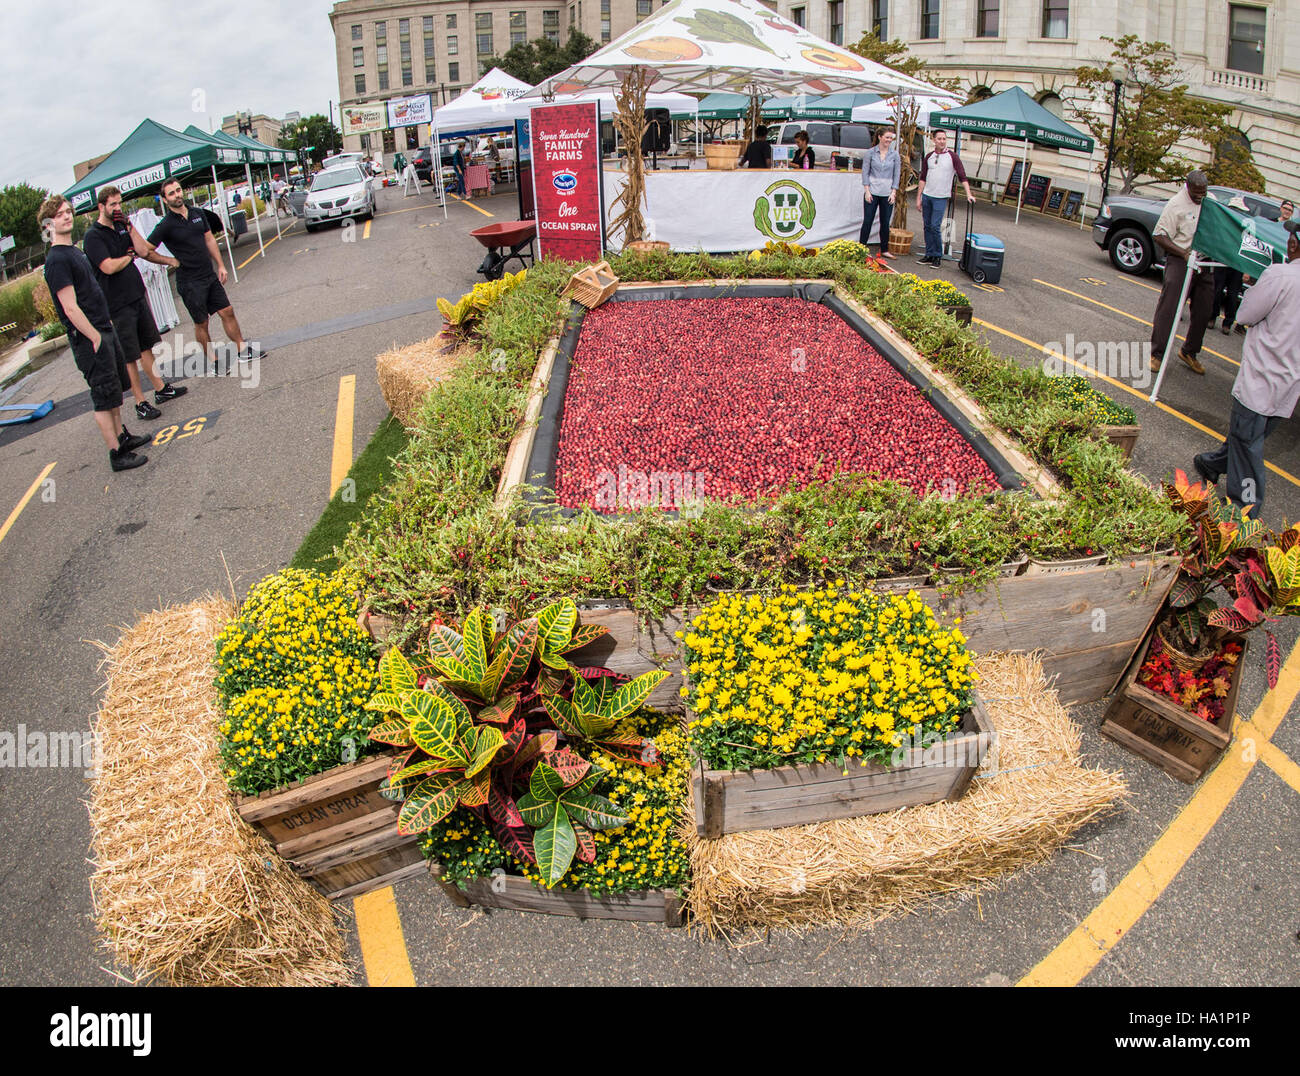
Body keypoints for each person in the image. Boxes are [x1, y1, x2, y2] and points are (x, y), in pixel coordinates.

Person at [37, 195, 152, 472]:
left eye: (68, 212)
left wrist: (106, 326)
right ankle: (116, 454)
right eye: (60, 214)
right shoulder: (56, 260)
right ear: (48, 224)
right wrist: (96, 337)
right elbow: (70, 307)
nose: (66, 217)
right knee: (103, 397)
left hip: (103, 328)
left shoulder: (74, 252)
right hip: (90, 339)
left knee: (114, 392)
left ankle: (122, 437)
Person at [1193, 220, 1300, 515]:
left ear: (1293, 244)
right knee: (1247, 438)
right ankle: (1211, 463)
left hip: (1262, 378)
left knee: (1247, 443)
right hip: (1289, 384)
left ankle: (1245, 507)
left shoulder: (1280, 275)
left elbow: (1245, 314)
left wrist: (1254, 286)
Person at [82, 186, 188, 422]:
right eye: (113, 205)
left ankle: (160, 389)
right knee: (129, 356)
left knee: (146, 347)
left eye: (119, 203)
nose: (117, 208)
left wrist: (129, 226)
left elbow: (141, 250)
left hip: (136, 295)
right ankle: (140, 402)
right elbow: (107, 266)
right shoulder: (93, 236)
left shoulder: (122, 226)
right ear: (101, 207)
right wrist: (128, 256)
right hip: (117, 304)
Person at [143, 178, 264, 368]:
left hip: (208, 275)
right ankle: (214, 361)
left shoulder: (197, 213)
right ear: (165, 200)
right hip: (189, 282)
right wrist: (169, 261)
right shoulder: (165, 225)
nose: (177, 195)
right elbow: (146, 251)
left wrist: (221, 265)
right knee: (202, 323)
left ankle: (242, 350)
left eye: (178, 190)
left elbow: (209, 240)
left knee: (227, 311)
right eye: (172, 193)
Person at [1149, 170, 1214, 376]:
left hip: (1204, 261)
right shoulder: (1176, 205)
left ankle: (1189, 352)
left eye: (1203, 192)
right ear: (1187, 187)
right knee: (1169, 307)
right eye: (1196, 193)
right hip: (1180, 259)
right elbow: (1159, 236)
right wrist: (1183, 253)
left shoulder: (1209, 200)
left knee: (1204, 311)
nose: (1200, 197)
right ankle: (1157, 354)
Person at [915, 129, 973, 267]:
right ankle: (929, 253)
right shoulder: (929, 156)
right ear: (933, 140)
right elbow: (923, 178)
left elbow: (962, 176)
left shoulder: (952, 157)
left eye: (944, 139)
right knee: (927, 226)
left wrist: (969, 193)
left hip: (941, 197)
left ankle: (937, 255)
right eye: (939, 138)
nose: (942, 141)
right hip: (927, 195)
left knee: (935, 226)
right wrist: (919, 197)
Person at [860, 128, 900, 258]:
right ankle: (862, 248)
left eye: (891, 138)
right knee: (868, 220)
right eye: (887, 137)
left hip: (887, 193)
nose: (889, 140)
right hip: (872, 192)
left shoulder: (894, 155)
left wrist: (893, 192)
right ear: (879, 137)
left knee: (885, 222)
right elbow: (865, 172)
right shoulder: (870, 153)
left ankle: (884, 249)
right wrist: (867, 190)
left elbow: (896, 174)